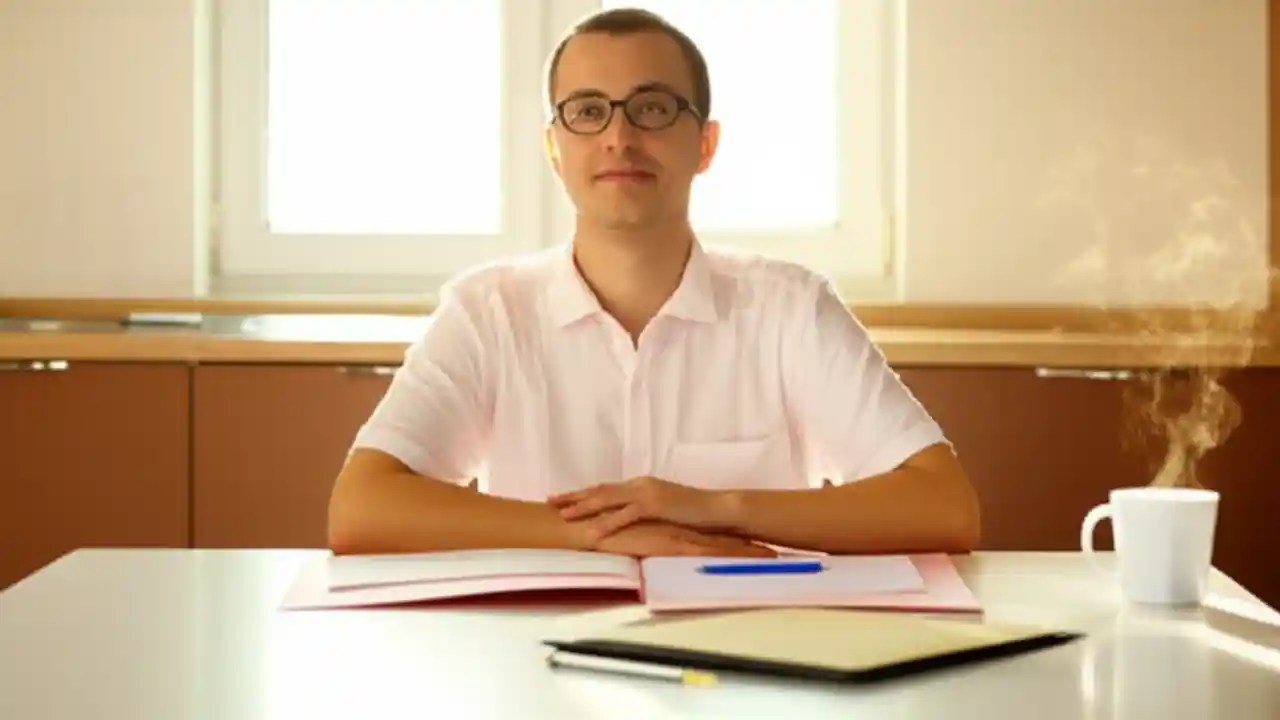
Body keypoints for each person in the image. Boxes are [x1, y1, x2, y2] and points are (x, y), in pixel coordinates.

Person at [327, 8, 980, 558]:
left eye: (653, 108)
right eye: (588, 111)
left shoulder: (790, 307)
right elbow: (360, 508)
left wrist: (712, 508)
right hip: (531, 664)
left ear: (705, 144)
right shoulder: (487, 310)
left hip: (751, 657)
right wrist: (602, 535)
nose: (619, 136)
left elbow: (945, 508)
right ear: (554, 147)